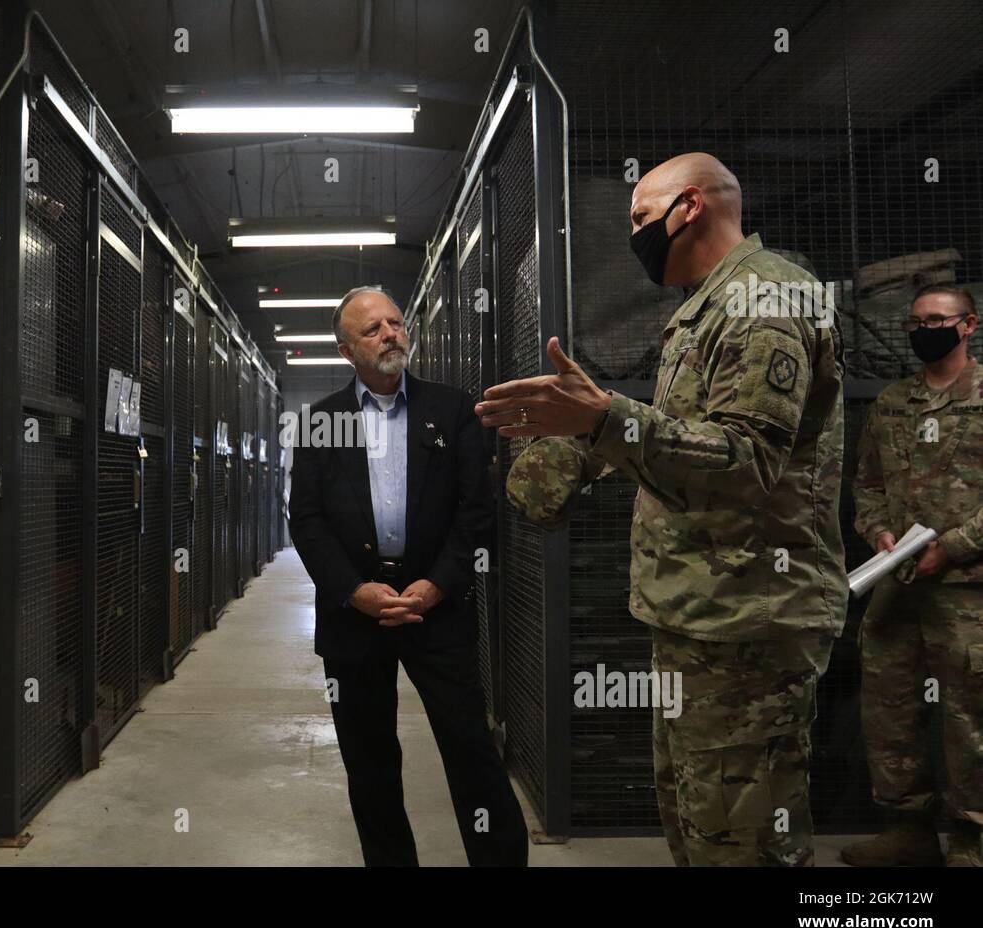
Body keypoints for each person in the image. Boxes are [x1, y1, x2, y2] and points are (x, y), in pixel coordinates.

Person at [478, 153, 846, 866]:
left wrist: (608, 420)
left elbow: (745, 462)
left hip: (750, 625)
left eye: (641, 218)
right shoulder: (703, 309)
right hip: (699, 619)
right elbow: (685, 440)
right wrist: (587, 435)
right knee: (699, 833)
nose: (634, 236)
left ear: (692, 208)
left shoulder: (763, 302)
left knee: (742, 847)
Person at [288, 286, 527, 866]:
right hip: (356, 617)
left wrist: (438, 583)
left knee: (470, 748)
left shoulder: (451, 410)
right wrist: (353, 591)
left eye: (396, 322)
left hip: (435, 607)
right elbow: (307, 520)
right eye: (373, 330)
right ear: (346, 351)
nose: (391, 334)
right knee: (369, 761)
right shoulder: (321, 422)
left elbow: (477, 510)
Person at [844, 283, 982, 867]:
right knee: (890, 709)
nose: (924, 329)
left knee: (970, 720)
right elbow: (867, 482)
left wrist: (951, 548)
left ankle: (972, 839)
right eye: (915, 322)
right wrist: (878, 534)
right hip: (897, 586)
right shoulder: (893, 401)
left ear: (968, 324)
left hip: (967, 591)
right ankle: (908, 829)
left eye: (936, 320)